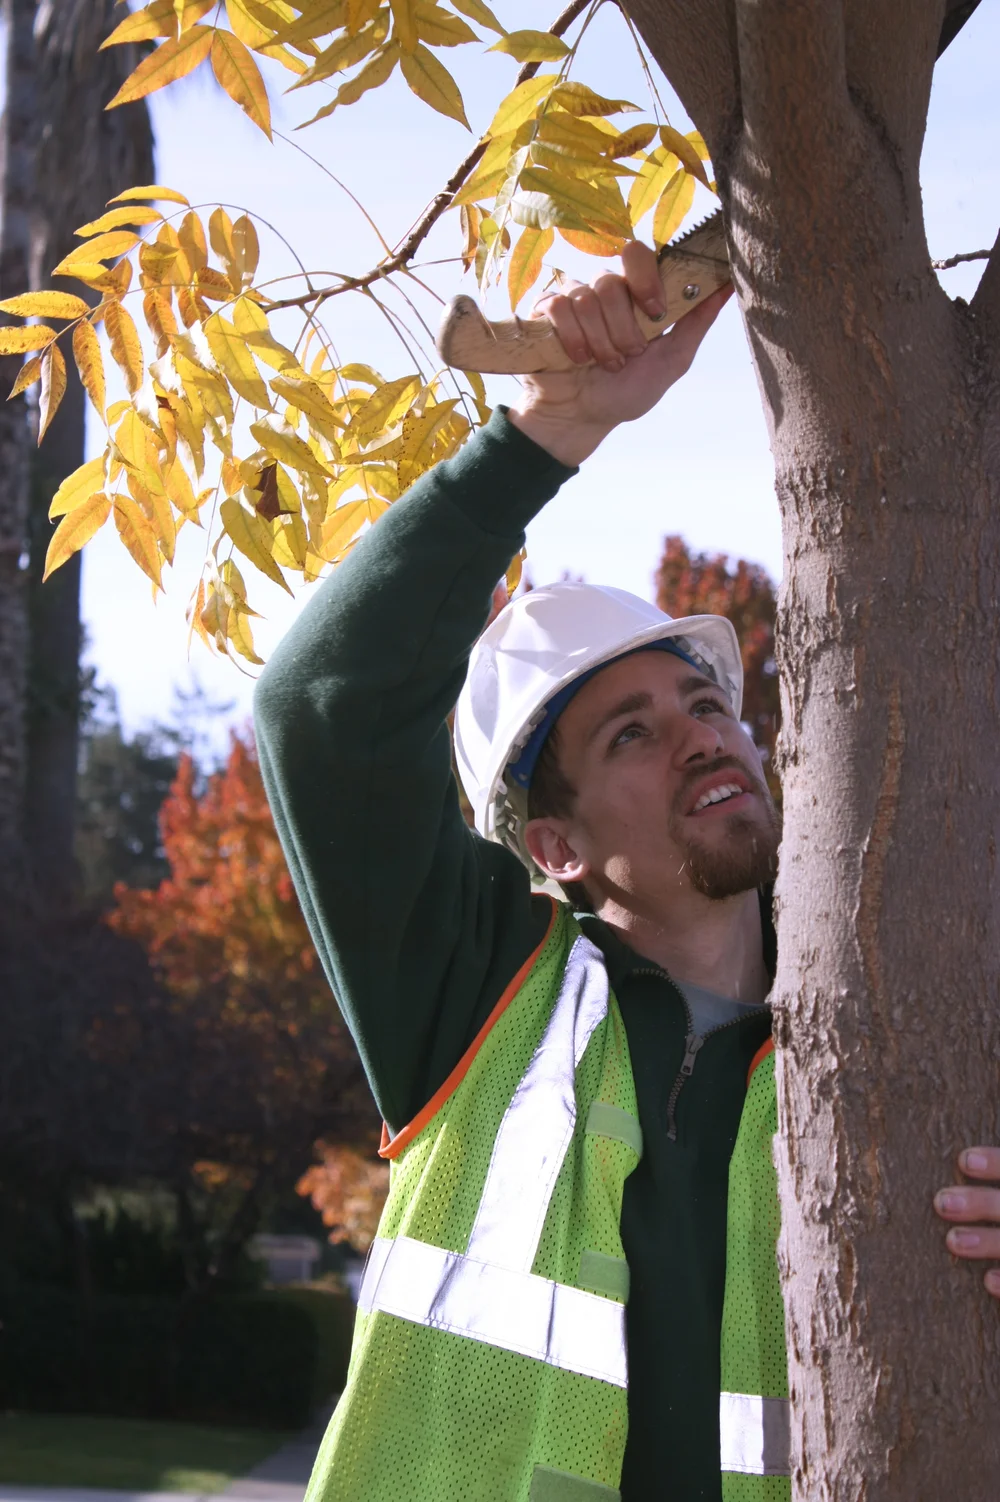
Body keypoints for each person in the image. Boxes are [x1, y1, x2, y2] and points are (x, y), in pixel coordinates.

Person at [254, 243, 1000, 1502]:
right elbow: (322, 710)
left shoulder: (901, 1033)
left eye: (703, 699)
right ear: (551, 847)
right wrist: (550, 430)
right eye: (631, 733)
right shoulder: (479, 993)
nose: (703, 730)